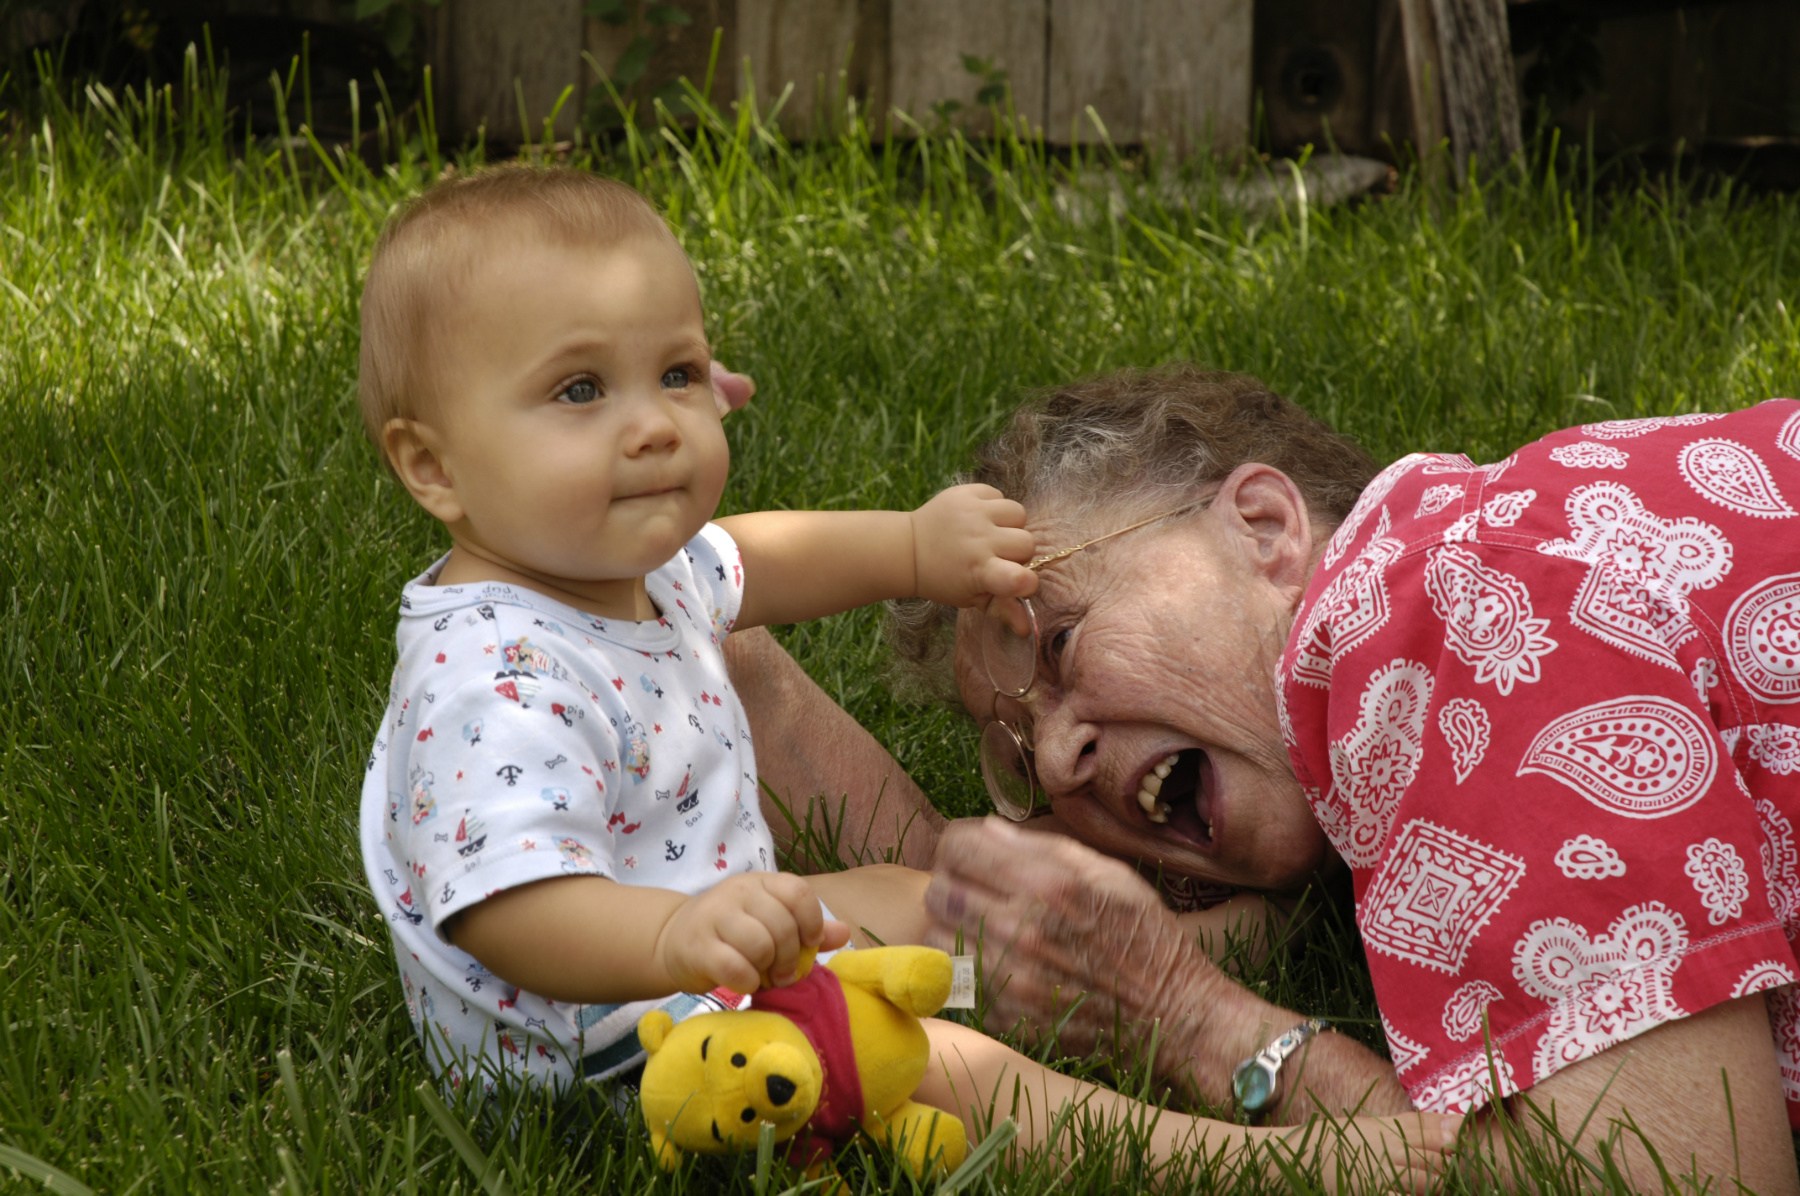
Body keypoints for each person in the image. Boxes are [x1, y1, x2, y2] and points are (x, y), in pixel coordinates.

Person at [352, 169, 1459, 1189]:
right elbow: (507, 909)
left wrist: (915, 549)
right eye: (581, 388)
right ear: (431, 466)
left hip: (709, 945)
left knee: (902, 895)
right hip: (610, 1043)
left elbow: (765, 554)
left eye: (677, 373)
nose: (652, 425)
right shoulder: (493, 674)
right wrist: (669, 938)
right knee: (935, 1058)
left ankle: (1166, 958)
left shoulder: (631, 572)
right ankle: (1253, 1164)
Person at [853, 364, 1800, 1191]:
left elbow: (1680, 1175)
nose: (1059, 761)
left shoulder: (1464, 620)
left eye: (1058, 643)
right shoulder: (1464, 575)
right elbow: (936, 878)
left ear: (1265, 528)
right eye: (1021, 756)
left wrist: (1189, 1016)